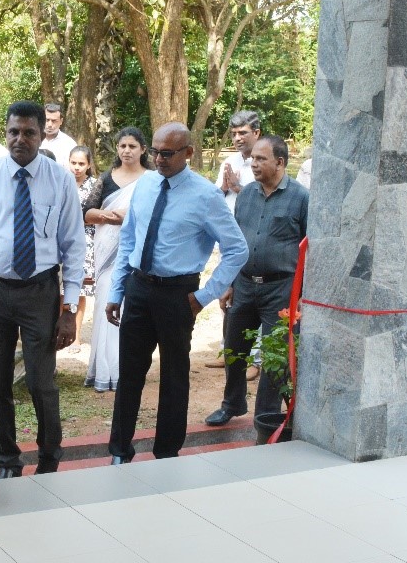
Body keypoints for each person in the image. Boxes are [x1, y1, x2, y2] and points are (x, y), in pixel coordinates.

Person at [106, 123, 248, 463]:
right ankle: (119, 450)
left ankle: (166, 452)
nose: (158, 159)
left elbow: (237, 249)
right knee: (129, 373)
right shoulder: (145, 185)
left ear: (188, 153)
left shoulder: (205, 195)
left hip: (177, 295)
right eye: (155, 151)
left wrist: (204, 296)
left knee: (174, 376)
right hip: (139, 288)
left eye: (167, 153)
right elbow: (130, 239)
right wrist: (117, 289)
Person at [0, 102, 88, 478]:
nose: (20, 139)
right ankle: (6, 460)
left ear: (43, 134)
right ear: (5, 133)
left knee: (41, 383)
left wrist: (68, 310)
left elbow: (73, 245)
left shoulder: (60, 179)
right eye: (14, 132)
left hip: (40, 292)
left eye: (29, 132)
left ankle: (50, 458)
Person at [203, 136, 309, 440]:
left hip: (282, 288)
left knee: (275, 356)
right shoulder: (246, 194)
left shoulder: (301, 198)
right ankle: (232, 403)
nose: (254, 164)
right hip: (245, 284)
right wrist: (229, 283)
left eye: (261, 159)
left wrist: (301, 295)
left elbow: (310, 247)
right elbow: (235, 243)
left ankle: (265, 416)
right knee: (234, 347)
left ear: (280, 162)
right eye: (253, 159)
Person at [83, 128, 151, 391]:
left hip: (139, 254)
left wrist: (128, 217)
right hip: (107, 251)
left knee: (133, 308)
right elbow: (87, 212)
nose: (126, 150)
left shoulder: (152, 180)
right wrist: (116, 216)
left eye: (132, 146)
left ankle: (128, 371)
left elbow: (153, 213)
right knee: (106, 304)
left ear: (143, 149)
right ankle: (103, 370)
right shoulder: (106, 179)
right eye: (122, 146)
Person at [68, 145, 98, 327]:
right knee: (61, 290)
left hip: (86, 240)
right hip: (61, 240)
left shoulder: (96, 185)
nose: (76, 167)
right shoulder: (62, 181)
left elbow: (97, 214)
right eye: (73, 163)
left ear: (88, 165)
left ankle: (77, 335)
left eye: (81, 163)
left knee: (79, 290)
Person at [216, 110, 260, 212]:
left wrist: (238, 187)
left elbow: (269, 200)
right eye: (233, 134)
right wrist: (224, 188)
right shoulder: (229, 162)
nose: (237, 138)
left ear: (256, 133)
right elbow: (215, 198)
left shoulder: (266, 163)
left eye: (242, 133)